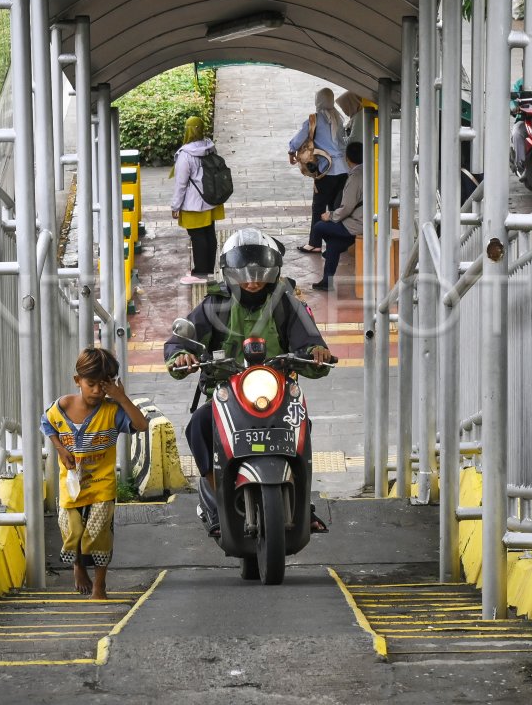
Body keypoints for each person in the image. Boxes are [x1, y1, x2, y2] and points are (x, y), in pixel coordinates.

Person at [163, 228, 332, 537]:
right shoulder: (215, 304)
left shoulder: (287, 304)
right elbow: (180, 341)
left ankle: (300, 502)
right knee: (199, 427)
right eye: (245, 273)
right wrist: (180, 357)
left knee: (302, 428)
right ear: (231, 273)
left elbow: (309, 341)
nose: (253, 279)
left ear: (272, 271)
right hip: (226, 391)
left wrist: (316, 353)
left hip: (277, 391)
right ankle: (216, 501)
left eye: (260, 272)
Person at [41, 347, 148, 599]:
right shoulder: (62, 407)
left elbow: (141, 424)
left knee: (99, 533)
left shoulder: (112, 412)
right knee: (71, 529)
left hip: (102, 484)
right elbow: (46, 423)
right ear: (77, 381)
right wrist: (59, 449)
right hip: (72, 483)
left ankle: (100, 583)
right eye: (91, 384)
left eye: (104, 385)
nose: (98, 391)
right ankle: (77, 566)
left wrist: (121, 398)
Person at [287, 87, 348, 254]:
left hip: (326, 170)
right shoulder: (338, 118)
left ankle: (315, 243)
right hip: (343, 169)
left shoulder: (314, 119)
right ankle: (336, 243)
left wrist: (291, 151)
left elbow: (299, 139)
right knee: (335, 208)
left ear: (318, 101)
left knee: (319, 207)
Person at [170, 115, 224, 285]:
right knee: (209, 233)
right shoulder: (210, 147)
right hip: (210, 199)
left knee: (197, 236)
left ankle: (200, 273)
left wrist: (175, 206)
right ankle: (206, 269)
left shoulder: (185, 155)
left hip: (194, 203)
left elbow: (181, 184)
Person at [308, 141, 364, 292]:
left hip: (358, 223)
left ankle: (338, 248)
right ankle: (327, 281)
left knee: (319, 227)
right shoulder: (368, 171)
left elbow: (347, 207)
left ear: (347, 159)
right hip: (363, 220)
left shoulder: (356, 177)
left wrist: (331, 216)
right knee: (333, 244)